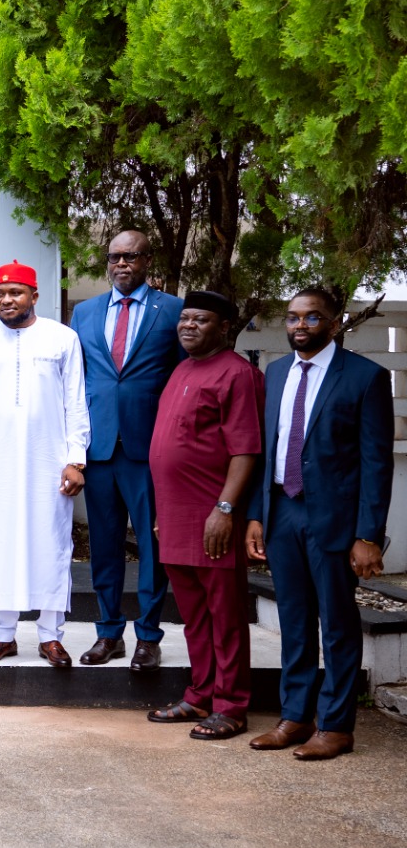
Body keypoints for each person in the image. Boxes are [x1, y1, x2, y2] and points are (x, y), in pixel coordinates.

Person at [247, 288, 393, 761]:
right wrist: (255, 515)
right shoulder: (275, 373)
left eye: (312, 318)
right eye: (292, 317)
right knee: (293, 621)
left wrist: (368, 534)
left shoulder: (366, 377)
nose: (300, 326)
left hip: (334, 517)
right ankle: (295, 718)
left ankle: (336, 726)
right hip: (282, 511)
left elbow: (376, 462)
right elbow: (266, 451)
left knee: (337, 623)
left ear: (334, 323)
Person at [0, 261, 89, 668]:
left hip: (48, 462)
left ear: (33, 296)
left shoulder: (62, 338)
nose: (7, 300)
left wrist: (76, 459)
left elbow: (75, 402)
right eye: (0, 294)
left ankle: (51, 637)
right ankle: (3, 635)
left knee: (50, 543)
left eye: (15, 293)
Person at [146, 291, 264, 739]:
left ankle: (231, 705)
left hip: (214, 515)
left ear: (224, 328)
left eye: (201, 319)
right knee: (194, 615)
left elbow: (246, 449)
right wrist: (161, 512)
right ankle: (200, 695)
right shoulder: (181, 369)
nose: (189, 325)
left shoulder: (239, 375)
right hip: (175, 516)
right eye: (185, 318)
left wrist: (226, 508)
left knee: (225, 614)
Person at [68, 230, 183, 671]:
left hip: (149, 450)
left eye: (130, 256)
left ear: (146, 261)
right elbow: (76, 380)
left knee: (153, 549)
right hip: (98, 451)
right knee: (104, 545)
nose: (121, 264)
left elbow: (178, 379)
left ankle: (149, 636)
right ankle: (109, 632)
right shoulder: (85, 311)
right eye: (114, 256)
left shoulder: (171, 310)